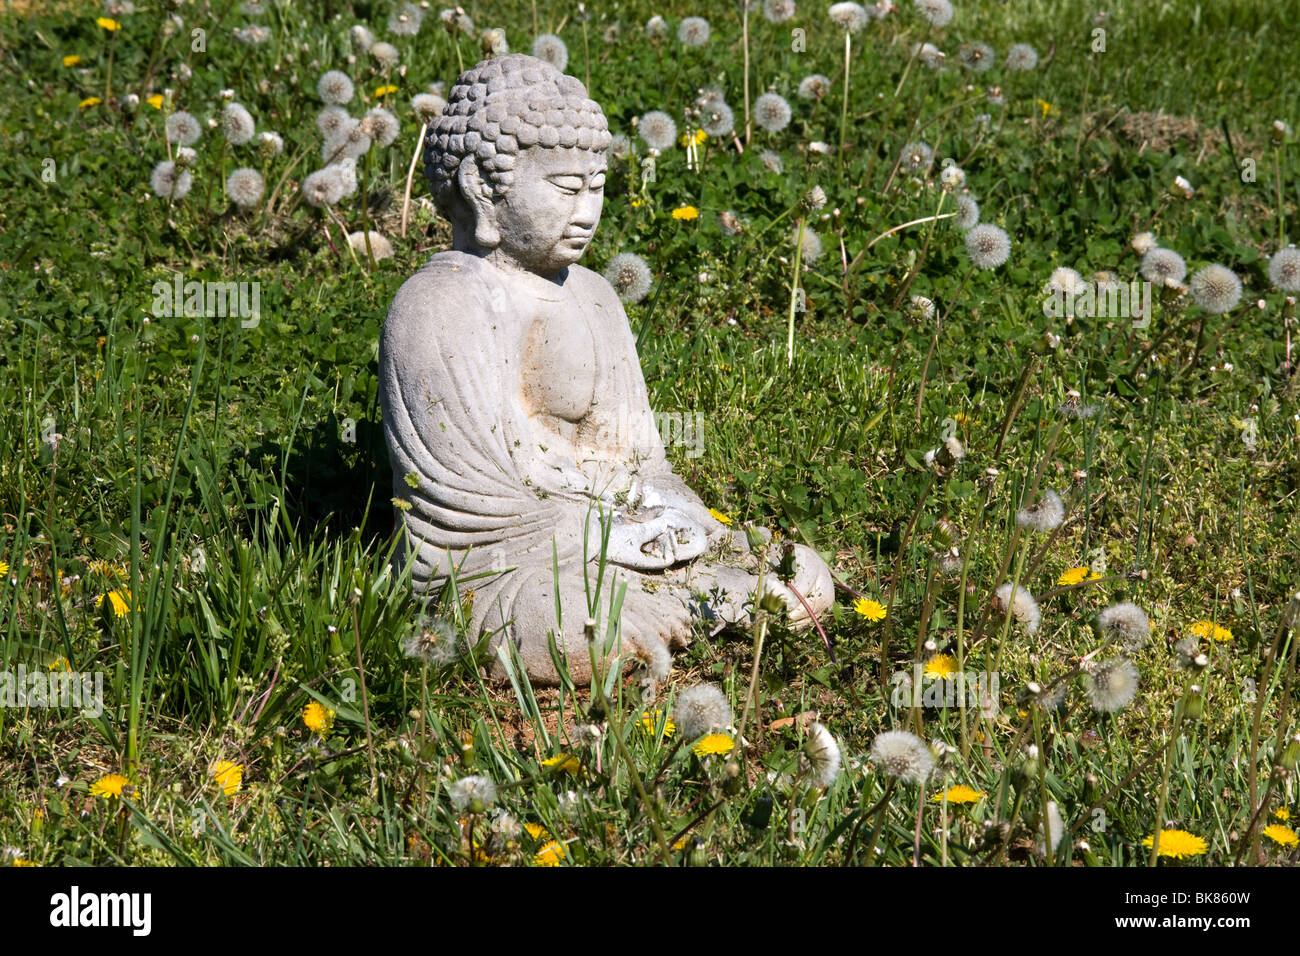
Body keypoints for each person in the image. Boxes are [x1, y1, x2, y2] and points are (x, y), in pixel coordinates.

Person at [379, 54, 833, 684]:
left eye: (597, 186)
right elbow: (460, 506)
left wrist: (674, 517)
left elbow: (639, 457)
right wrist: (602, 530)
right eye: (566, 188)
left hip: (623, 530)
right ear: (483, 185)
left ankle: (672, 599)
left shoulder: (593, 295)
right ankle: (673, 610)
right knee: (572, 623)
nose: (588, 211)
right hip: (512, 559)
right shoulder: (439, 303)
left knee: (798, 569)